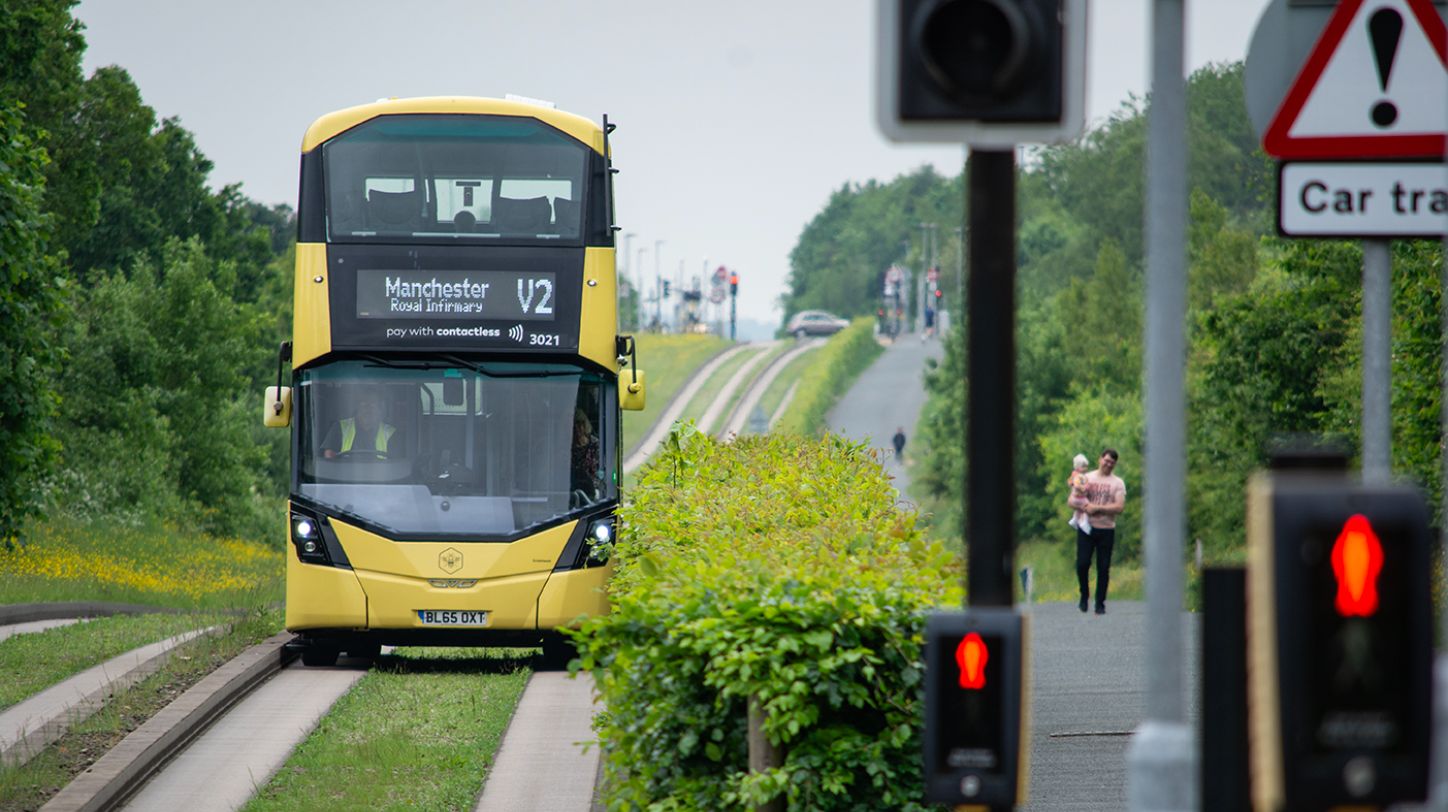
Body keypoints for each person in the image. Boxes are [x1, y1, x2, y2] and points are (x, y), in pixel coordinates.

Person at [1076, 448, 1126, 615]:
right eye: (1106, 460)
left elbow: (1119, 507)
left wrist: (1097, 507)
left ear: (1115, 464)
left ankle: (1100, 603)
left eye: (1111, 462)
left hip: (1106, 529)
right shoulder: (1087, 478)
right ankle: (1084, 594)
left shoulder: (1117, 483)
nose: (1108, 464)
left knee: (1103, 567)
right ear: (1100, 459)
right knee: (1082, 564)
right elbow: (1075, 498)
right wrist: (1083, 505)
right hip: (1086, 528)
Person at [321, 389, 399, 459]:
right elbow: (329, 456)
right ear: (357, 408)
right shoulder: (339, 427)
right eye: (364, 405)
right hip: (345, 474)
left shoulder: (390, 433)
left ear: (380, 410)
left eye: (373, 406)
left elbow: (396, 463)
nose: (368, 410)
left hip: (380, 475)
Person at [571, 408, 600, 495]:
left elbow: (600, 475)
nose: (578, 428)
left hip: (591, 494)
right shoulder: (564, 446)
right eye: (574, 424)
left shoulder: (596, 445)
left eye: (581, 423)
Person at [1066, 453, 1091, 534]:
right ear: (1077, 467)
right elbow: (1077, 485)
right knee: (1088, 506)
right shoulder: (1079, 476)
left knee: (1079, 509)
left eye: (1086, 467)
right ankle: (1084, 522)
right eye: (1083, 467)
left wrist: (1071, 483)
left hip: (1075, 497)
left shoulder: (1074, 474)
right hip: (1080, 497)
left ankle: (1075, 519)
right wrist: (1084, 488)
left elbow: (1069, 482)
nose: (1085, 469)